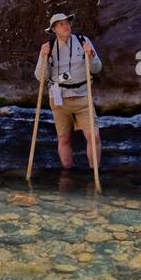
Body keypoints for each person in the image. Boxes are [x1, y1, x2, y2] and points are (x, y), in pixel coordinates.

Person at [36, 13, 103, 174]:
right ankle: (67, 174)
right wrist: (43, 57)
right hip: (59, 98)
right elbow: (41, 77)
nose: (66, 26)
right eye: (61, 24)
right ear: (53, 29)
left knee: (93, 137)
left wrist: (90, 55)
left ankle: (95, 173)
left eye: (67, 23)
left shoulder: (83, 41)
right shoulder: (49, 47)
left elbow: (97, 68)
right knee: (64, 138)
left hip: (82, 95)